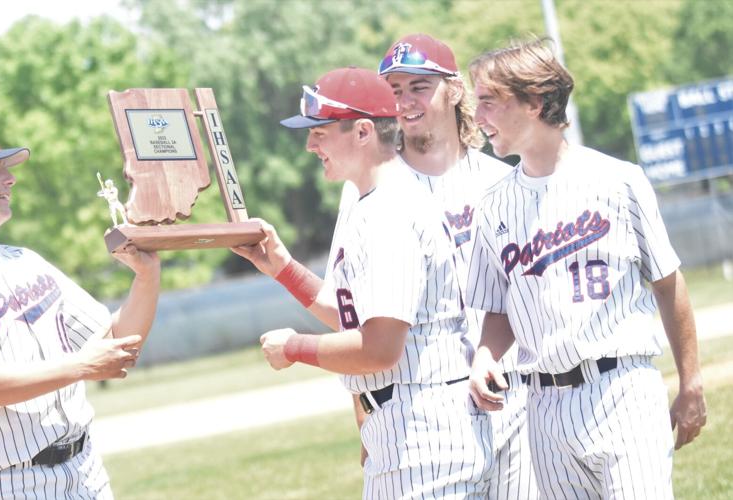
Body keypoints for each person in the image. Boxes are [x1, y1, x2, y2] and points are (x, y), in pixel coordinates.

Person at [233, 67, 491, 498]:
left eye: (320, 131)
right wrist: (283, 269)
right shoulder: (375, 202)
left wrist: (294, 348)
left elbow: (379, 347)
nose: (311, 144)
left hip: (423, 430)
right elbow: (357, 315)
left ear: (363, 131)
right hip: (411, 424)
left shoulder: (390, 211)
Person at [466, 38, 707, 498]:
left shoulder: (619, 181)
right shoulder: (493, 204)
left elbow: (667, 282)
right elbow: (499, 308)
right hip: (543, 406)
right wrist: (485, 356)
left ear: (535, 101)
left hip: (621, 389)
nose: (478, 118)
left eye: (489, 102)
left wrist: (690, 380)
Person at [0, 124, 161, 498]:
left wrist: (147, 277)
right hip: (10, 483)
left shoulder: (27, 262)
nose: (10, 179)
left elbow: (114, 342)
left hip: (85, 472)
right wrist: (80, 366)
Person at [376, 33, 536, 499]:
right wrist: (364, 413)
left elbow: (526, 290)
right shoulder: (375, 190)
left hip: (516, 397)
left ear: (455, 89)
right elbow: (359, 310)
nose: (405, 101)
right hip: (425, 411)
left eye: (418, 87)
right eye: (396, 89)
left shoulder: (502, 180)